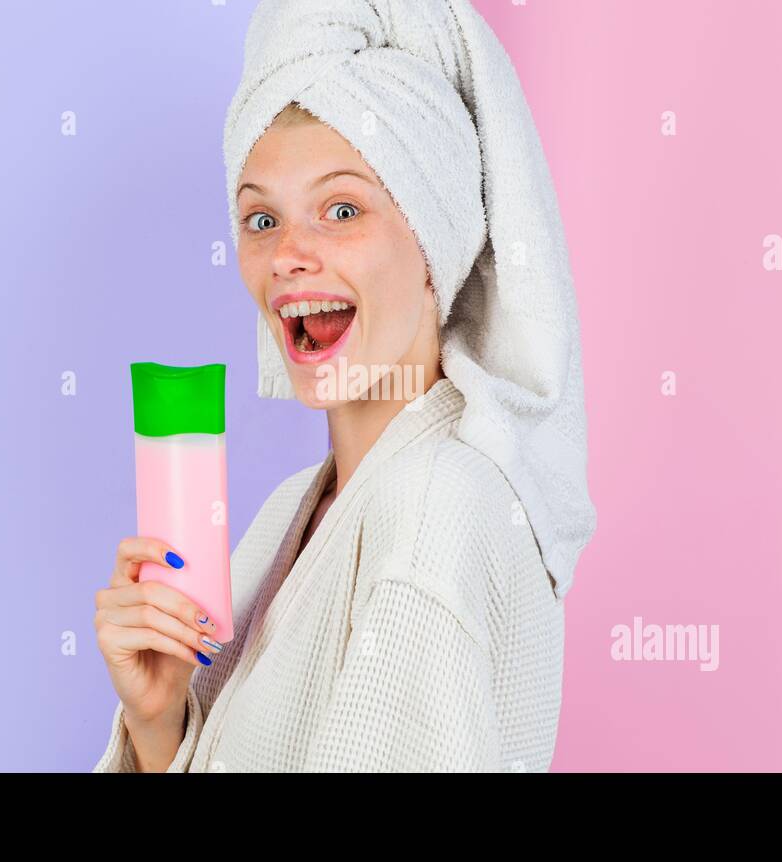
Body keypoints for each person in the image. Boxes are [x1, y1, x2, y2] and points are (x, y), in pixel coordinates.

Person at [93, 0, 596, 772]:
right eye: (261, 220)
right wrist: (161, 725)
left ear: (435, 243)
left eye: (340, 208)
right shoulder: (285, 518)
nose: (289, 254)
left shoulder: (438, 513)